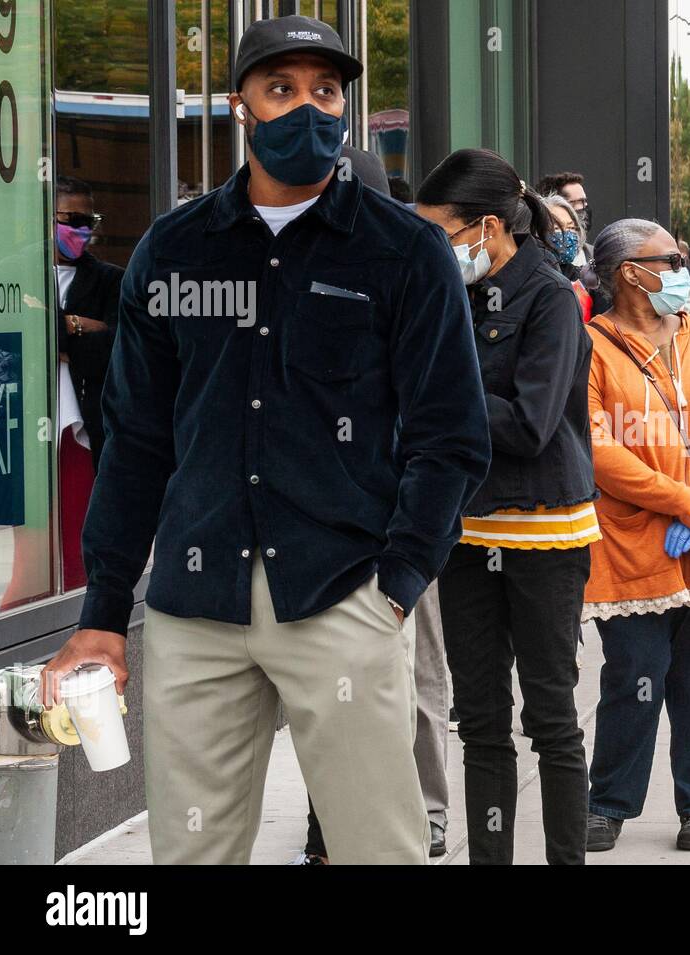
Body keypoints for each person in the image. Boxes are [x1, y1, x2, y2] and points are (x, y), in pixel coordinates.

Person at [41, 15, 491, 865]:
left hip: (341, 595)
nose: (306, 109)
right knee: (190, 852)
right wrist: (104, 612)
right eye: (281, 89)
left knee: (377, 849)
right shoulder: (174, 252)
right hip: (193, 608)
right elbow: (136, 440)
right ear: (242, 106)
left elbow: (452, 438)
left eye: (325, 91)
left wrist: (395, 585)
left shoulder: (405, 252)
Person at [417, 148, 598, 865]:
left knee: (550, 715)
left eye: (443, 233)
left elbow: (531, 421)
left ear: (488, 226)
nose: (435, 247)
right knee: (481, 718)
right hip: (464, 531)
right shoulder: (450, 292)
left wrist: (436, 397)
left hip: (544, 528)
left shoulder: (550, 297)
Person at [295, 148, 454, 865]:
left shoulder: (410, 266)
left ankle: (426, 814)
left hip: (390, 527)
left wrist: (411, 553)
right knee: (328, 697)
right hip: (310, 529)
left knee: (414, 679)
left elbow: (444, 424)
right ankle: (326, 834)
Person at [580, 218, 690, 853]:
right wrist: (683, 502)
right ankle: (608, 804)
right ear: (632, 272)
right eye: (672, 260)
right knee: (635, 674)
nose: (684, 270)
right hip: (631, 543)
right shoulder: (592, 346)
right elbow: (595, 446)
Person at [54, 176, 123, 474]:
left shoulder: (111, 280)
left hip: (89, 421)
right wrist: (77, 324)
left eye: (88, 220)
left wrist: (63, 331)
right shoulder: (17, 272)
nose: (81, 229)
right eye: (73, 219)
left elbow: (115, 349)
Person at [544, 191, 594, 321]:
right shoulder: (529, 277)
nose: (566, 234)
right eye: (556, 228)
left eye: (571, 228)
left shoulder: (585, 279)